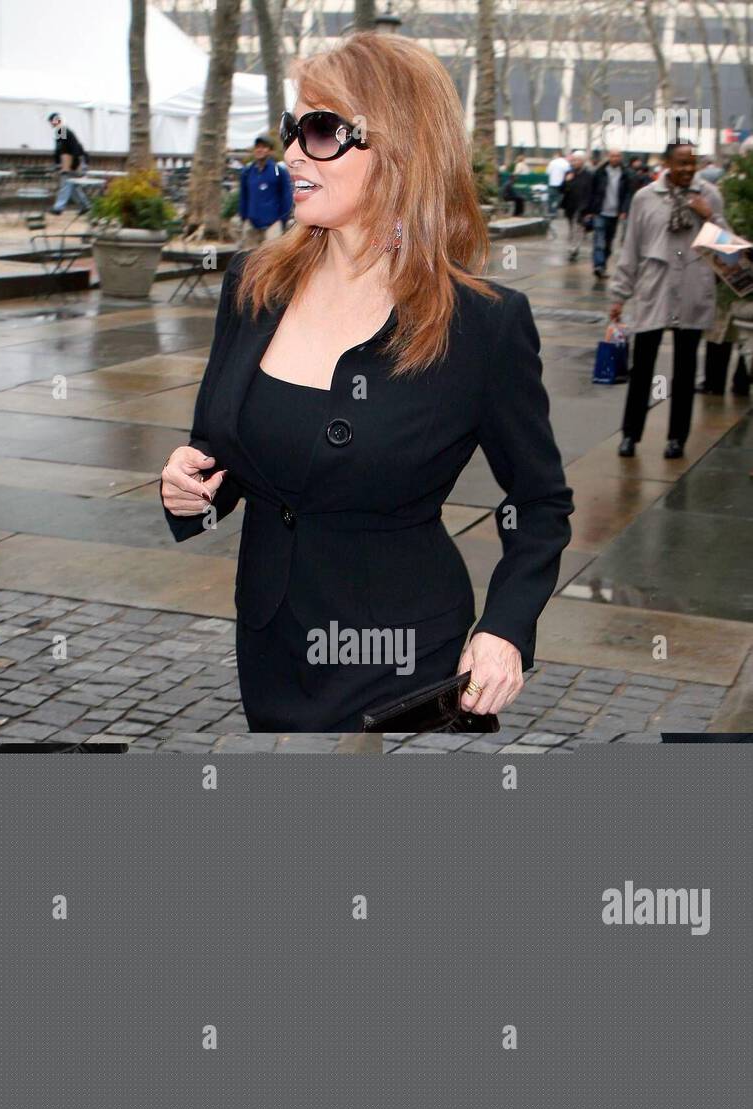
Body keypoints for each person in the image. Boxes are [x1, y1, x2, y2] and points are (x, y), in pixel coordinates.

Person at [159, 32, 573, 734]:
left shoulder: (483, 325)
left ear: (404, 151)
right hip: (269, 640)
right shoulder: (252, 286)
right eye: (294, 128)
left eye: (321, 130)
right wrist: (187, 487)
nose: (291, 151)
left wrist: (503, 630)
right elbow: (221, 455)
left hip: (402, 662)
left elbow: (540, 506)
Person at [609, 140, 727, 460]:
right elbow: (631, 247)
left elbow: (727, 249)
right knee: (642, 366)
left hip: (692, 289)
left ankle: (677, 438)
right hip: (654, 290)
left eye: (693, 163)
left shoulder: (710, 195)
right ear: (667, 164)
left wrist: (709, 216)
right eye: (682, 163)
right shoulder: (645, 198)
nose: (688, 169)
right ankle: (631, 434)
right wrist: (620, 294)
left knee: (686, 369)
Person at [239, 135, 293, 247]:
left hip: (273, 224)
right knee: (249, 259)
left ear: (270, 151)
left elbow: (286, 197)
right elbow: (243, 196)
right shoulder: (247, 171)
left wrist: (282, 220)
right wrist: (244, 218)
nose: (260, 150)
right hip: (251, 225)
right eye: (257, 147)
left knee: (270, 260)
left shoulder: (279, 171)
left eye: (264, 147)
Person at [589, 148, 632, 279]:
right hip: (600, 211)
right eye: (613, 156)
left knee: (608, 242)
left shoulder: (626, 174)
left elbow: (628, 194)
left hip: (615, 213)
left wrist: (624, 210)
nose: (615, 158)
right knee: (599, 241)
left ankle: (603, 263)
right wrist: (590, 210)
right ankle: (599, 266)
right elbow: (592, 191)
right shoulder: (600, 172)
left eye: (618, 156)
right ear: (608, 157)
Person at [47, 112, 90, 215]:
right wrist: (58, 163)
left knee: (66, 183)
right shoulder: (61, 131)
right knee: (73, 186)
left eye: (52, 121)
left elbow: (65, 150)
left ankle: (58, 208)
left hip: (75, 160)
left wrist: (69, 166)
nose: (51, 124)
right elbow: (60, 150)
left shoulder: (62, 130)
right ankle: (85, 205)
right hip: (75, 159)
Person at [561, 151, 594, 261]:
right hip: (570, 205)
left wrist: (589, 208)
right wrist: (567, 181)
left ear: (583, 161)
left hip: (582, 206)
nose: (574, 162)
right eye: (573, 160)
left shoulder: (589, 175)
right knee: (572, 227)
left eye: (577, 160)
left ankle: (574, 249)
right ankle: (573, 246)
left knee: (578, 226)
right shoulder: (569, 174)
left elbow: (590, 191)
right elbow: (562, 190)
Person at [546, 149, 571, 217]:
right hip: (561, 184)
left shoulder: (552, 162)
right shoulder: (566, 163)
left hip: (552, 182)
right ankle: (555, 210)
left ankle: (551, 211)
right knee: (558, 198)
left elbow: (548, 172)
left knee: (551, 198)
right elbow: (569, 172)